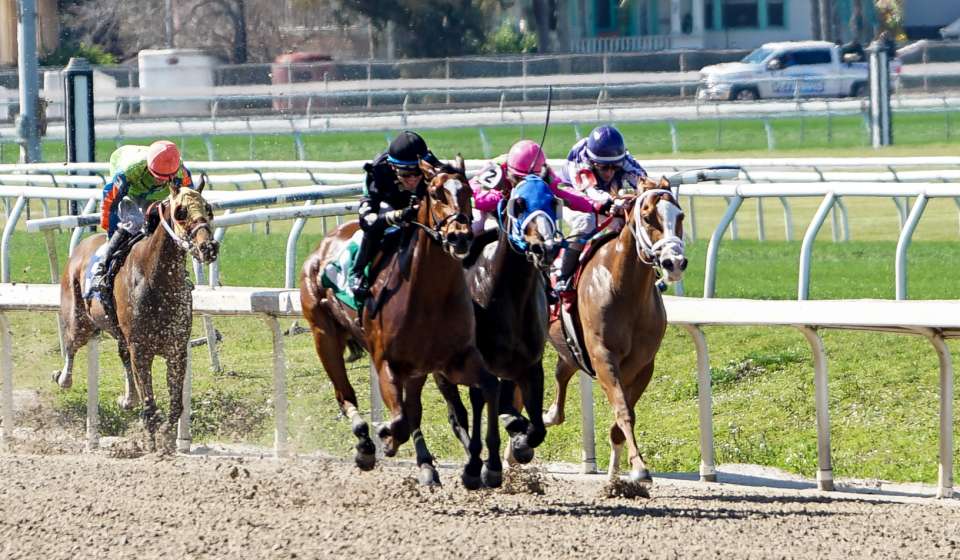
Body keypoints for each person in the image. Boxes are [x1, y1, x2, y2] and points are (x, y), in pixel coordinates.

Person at [348, 130, 443, 302]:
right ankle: (357, 271)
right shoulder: (378, 170)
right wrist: (399, 215)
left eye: (417, 173)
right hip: (388, 202)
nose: (413, 179)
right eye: (406, 174)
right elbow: (367, 221)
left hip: (418, 203)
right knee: (376, 222)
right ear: (393, 166)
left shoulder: (432, 164)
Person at [89, 140, 194, 294]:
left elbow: (189, 199)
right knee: (134, 222)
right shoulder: (129, 171)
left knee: (164, 225)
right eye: (157, 176)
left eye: (165, 178)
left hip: (156, 194)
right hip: (129, 190)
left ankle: (178, 273)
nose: (161, 180)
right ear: (148, 168)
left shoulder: (181, 172)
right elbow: (109, 202)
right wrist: (109, 232)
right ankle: (101, 269)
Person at [555, 125, 647, 295]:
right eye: (604, 167)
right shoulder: (580, 158)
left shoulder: (624, 158)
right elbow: (590, 193)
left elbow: (644, 181)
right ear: (592, 162)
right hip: (573, 195)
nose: (609, 172)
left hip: (603, 194)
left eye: (615, 167)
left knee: (626, 224)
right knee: (586, 221)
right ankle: (563, 276)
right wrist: (614, 202)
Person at [469, 139, 596, 235]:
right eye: (521, 180)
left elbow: (566, 193)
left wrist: (596, 205)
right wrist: (503, 195)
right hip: (482, 204)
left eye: (535, 180)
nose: (529, 186)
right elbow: (477, 197)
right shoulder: (498, 168)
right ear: (511, 173)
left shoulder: (545, 172)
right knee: (477, 225)